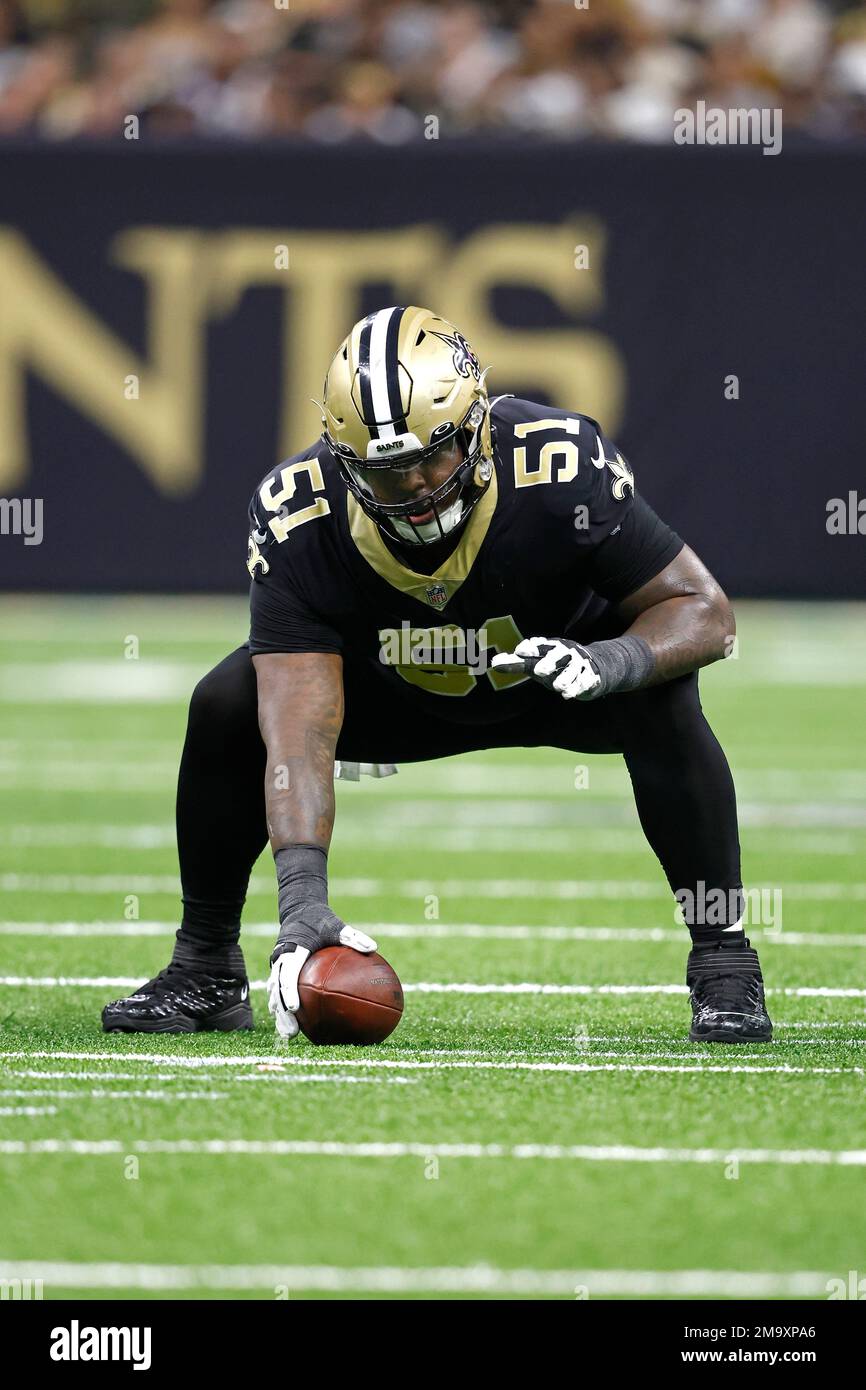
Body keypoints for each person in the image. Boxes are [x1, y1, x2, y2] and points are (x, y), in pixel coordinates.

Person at [102, 305, 772, 1044]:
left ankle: (725, 964)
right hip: (401, 695)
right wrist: (301, 899)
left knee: (662, 686)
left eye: (435, 455)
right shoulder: (300, 515)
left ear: (478, 428)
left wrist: (610, 661)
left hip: (555, 676)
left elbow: (704, 611)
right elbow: (296, 727)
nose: (418, 487)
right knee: (229, 700)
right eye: (388, 473)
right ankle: (204, 968)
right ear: (344, 460)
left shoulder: (556, 463)